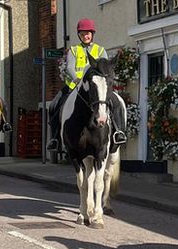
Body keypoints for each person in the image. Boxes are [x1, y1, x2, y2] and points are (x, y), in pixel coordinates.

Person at [46, 18, 128, 151]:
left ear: (92, 34)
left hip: (97, 87)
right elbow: (70, 68)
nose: (86, 36)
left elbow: (105, 68)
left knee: (116, 102)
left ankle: (119, 132)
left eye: (88, 33)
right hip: (76, 86)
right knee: (55, 105)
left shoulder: (100, 50)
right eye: (83, 33)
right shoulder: (74, 50)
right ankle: (55, 138)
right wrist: (78, 79)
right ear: (79, 35)